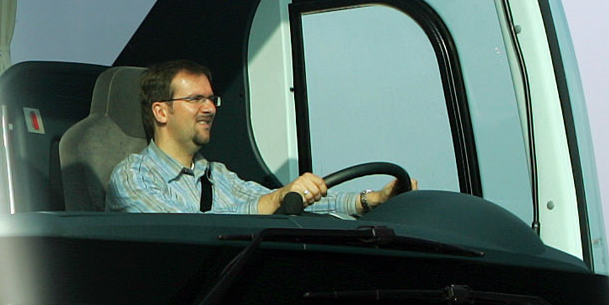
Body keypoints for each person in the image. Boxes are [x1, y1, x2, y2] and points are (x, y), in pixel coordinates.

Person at [107, 60, 397, 217]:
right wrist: (275, 199)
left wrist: (370, 199)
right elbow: (183, 232)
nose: (209, 108)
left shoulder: (217, 175)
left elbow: (276, 200)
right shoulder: (133, 178)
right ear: (161, 112)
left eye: (211, 99)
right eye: (196, 99)